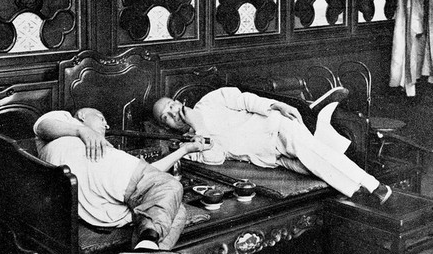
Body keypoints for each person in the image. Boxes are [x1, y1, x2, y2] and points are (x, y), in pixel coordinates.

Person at [33, 107, 211, 254]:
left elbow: (150, 174)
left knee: (176, 210)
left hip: (99, 206)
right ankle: (146, 247)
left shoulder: (106, 149)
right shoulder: (66, 121)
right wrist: (82, 130)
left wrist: (184, 150)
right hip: (94, 193)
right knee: (171, 185)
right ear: (82, 115)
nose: (106, 124)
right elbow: (43, 126)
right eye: (101, 117)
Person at [152, 86, 393, 205]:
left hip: (276, 129)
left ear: (179, 101)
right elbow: (216, 158)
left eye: (172, 105)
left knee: (315, 154)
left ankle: (374, 187)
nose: (173, 113)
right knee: (316, 165)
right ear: (168, 127)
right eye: (166, 116)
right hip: (270, 158)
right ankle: (356, 186)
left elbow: (245, 99)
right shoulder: (191, 144)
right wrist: (199, 135)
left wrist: (277, 105)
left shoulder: (209, 102)